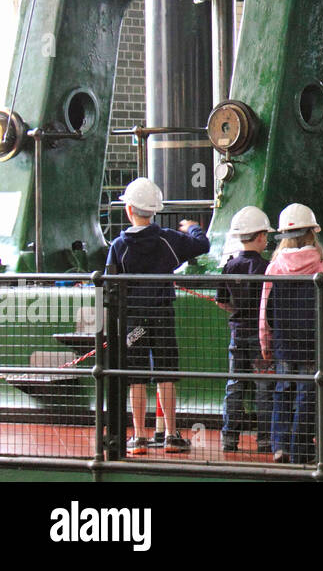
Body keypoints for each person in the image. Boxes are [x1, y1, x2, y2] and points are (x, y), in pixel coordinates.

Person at [106, 177, 210, 455]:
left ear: (129, 210)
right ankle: (171, 435)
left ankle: (139, 436)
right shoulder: (169, 240)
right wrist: (193, 228)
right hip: (162, 313)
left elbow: (110, 283)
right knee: (166, 372)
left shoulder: (119, 246)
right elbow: (202, 245)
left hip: (133, 320)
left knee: (136, 376)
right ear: (155, 211)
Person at [259, 203, 323, 464]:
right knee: (306, 396)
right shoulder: (322, 268)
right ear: (312, 233)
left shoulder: (274, 268)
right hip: (313, 343)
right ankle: (301, 449)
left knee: (282, 393)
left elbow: (266, 311)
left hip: (284, 344)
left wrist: (265, 341)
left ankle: (280, 447)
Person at [215, 206, 274, 454]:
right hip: (261, 338)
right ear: (260, 236)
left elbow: (222, 301)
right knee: (264, 387)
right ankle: (265, 440)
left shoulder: (229, 266)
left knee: (235, 385)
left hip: (237, 334)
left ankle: (230, 438)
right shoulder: (267, 267)